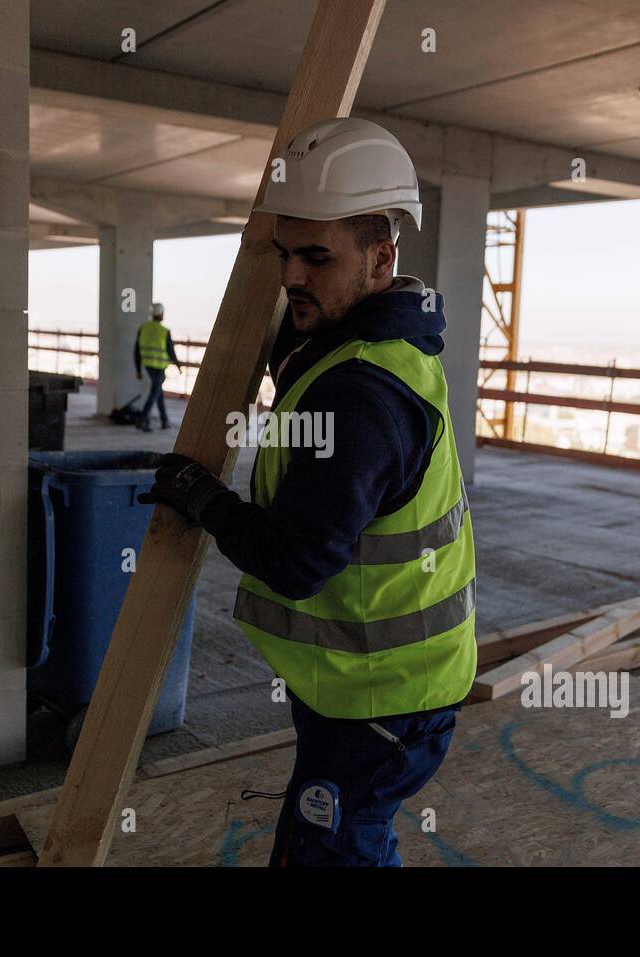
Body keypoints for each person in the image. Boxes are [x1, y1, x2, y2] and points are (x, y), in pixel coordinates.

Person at [137, 117, 477, 866]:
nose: (291, 276)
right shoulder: (371, 346)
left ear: (382, 258)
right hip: (376, 681)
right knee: (344, 841)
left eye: (317, 258)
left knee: (324, 855)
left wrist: (207, 500)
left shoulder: (358, 395)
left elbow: (294, 563)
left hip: (383, 695)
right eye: (285, 253)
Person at [133, 302, 181, 431]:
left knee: (158, 391)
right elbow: (171, 350)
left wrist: (138, 370)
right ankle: (142, 419)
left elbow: (136, 351)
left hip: (148, 366)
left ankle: (164, 420)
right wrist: (178, 365)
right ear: (162, 314)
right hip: (160, 367)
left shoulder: (143, 328)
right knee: (155, 392)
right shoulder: (164, 331)